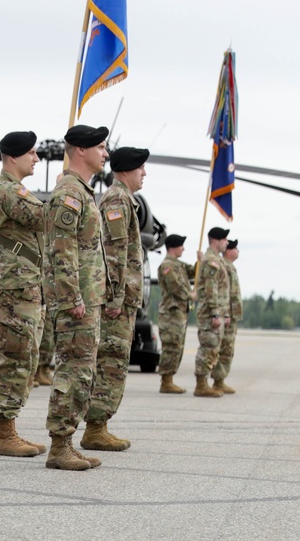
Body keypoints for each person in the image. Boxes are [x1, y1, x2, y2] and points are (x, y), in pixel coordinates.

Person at [44, 124, 109, 471]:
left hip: (87, 297)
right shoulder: (70, 194)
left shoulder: (82, 192)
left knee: (83, 372)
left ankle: (67, 441)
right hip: (76, 301)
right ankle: (59, 446)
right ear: (81, 150)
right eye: (100, 147)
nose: (105, 153)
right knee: (72, 372)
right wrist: (72, 297)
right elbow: (62, 250)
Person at [0, 131, 48, 458]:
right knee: (15, 356)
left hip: (24, 285)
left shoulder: (14, 189)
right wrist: (67, 192)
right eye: (31, 153)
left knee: (26, 356)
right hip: (15, 288)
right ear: (13, 156)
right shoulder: (7, 191)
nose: (36, 158)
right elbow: (45, 218)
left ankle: (10, 428)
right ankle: (4, 433)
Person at [81, 146, 148, 452]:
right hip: (116, 302)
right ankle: (95, 428)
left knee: (116, 361)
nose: (144, 173)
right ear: (125, 170)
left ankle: (100, 425)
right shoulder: (117, 199)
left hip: (123, 300)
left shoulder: (124, 199)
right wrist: (115, 297)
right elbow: (114, 252)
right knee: (111, 362)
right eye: (140, 168)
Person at [193, 227, 231, 398]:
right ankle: (201, 385)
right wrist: (215, 313)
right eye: (224, 240)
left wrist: (224, 313)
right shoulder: (211, 261)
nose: (227, 243)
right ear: (215, 240)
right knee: (208, 348)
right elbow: (211, 289)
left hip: (217, 312)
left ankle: (205, 383)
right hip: (210, 314)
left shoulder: (215, 260)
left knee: (213, 348)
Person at [156, 234, 195, 394]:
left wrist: (200, 261)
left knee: (177, 346)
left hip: (179, 313)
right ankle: (166, 381)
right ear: (173, 247)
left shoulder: (178, 265)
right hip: (171, 314)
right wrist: (191, 295)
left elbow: (194, 271)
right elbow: (176, 287)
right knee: (171, 346)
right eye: (181, 246)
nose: (183, 249)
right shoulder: (168, 266)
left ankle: (170, 379)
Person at [212, 239, 242, 394]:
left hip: (231, 315)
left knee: (227, 349)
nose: (238, 251)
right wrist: (227, 313)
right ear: (229, 251)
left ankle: (220, 380)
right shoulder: (225, 267)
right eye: (236, 249)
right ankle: (218, 381)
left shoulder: (229, 267)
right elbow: (225, 293)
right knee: (225, 348)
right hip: (227, 315)